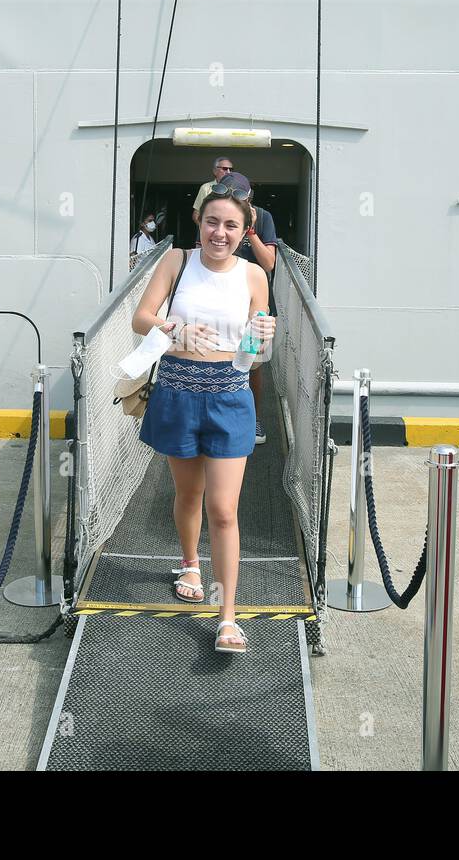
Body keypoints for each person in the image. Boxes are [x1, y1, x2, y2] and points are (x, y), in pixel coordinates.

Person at [131, 190, 276, 653]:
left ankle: (228, 618)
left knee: (225, 510)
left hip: (229, 397)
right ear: (199, 222)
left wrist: (263, 339)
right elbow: (141, 318)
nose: (220, 233)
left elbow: (254, 360)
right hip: (177, 390)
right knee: (188, 494)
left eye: (231, 226)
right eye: (212, 222)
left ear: (245, 231)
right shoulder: (176, 261)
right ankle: (190, 562)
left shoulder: (254, 275)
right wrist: (176, 329)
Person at [216, 171, 278, 445]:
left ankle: (252, 419)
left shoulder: (263, 218)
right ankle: (222, 417)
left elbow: (269, 263)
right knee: (219, 358)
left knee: (252, 365)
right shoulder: (217, 219)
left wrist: (250, 230)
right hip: (222, 302)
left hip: (255, 305)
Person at [192, 155, 235, 229]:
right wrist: (206, 230)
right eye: (225, 169)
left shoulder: (236, 189)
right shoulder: (206, 188)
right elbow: (196, 215)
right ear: (215, 171)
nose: (228, 172)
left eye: (231, 169)